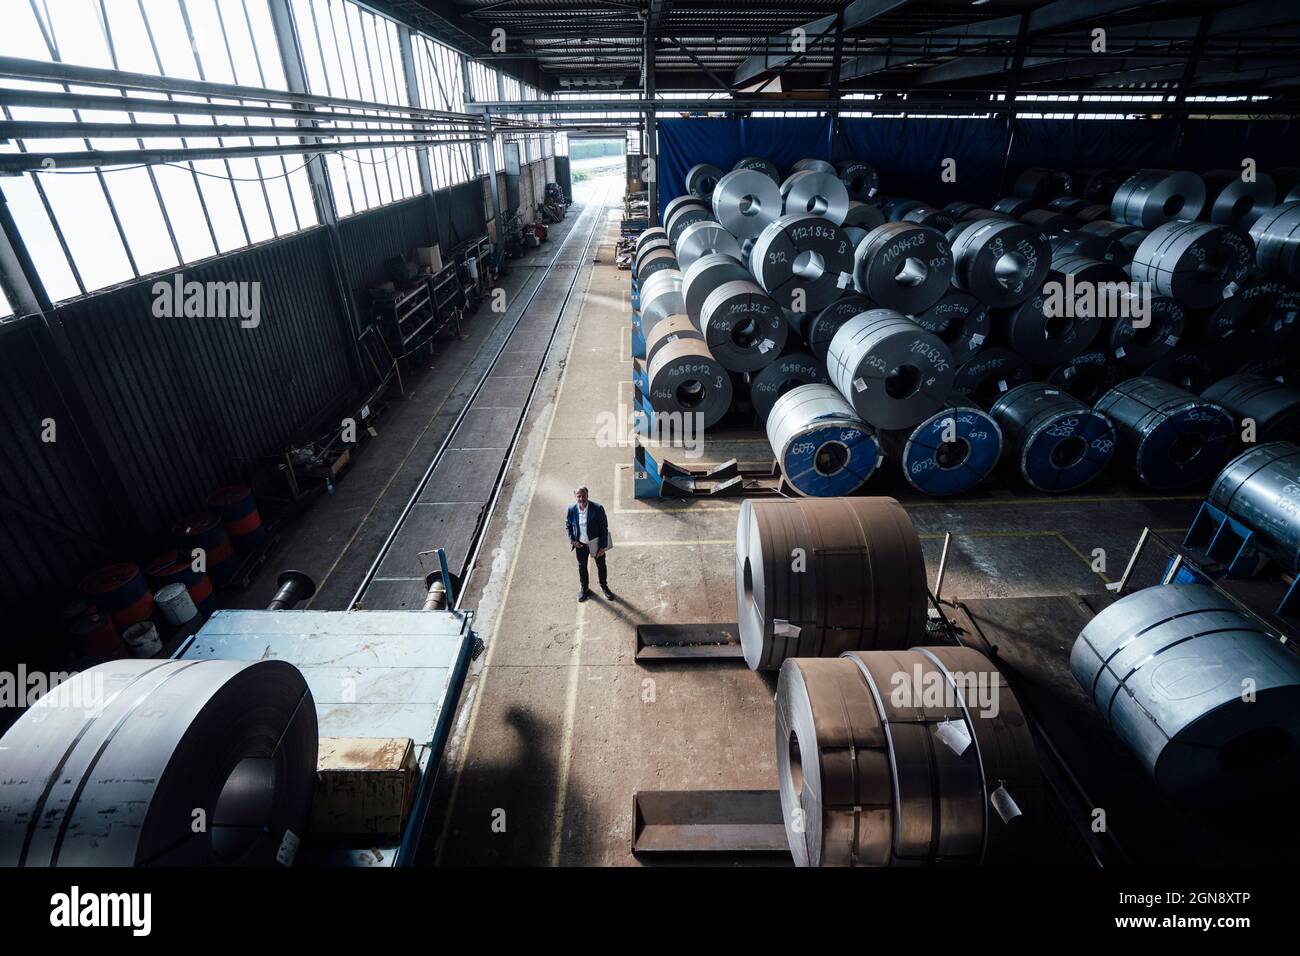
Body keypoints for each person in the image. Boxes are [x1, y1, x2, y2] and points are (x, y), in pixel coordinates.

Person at [565, 485, 614, 602]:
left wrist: (602, 547)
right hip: (580, 545)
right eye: (578, 496)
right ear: (575, 497)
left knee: (601, 566)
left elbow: (604, 528)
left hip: (595, 544)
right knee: (582, 567)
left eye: (583, 496)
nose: (581, 498)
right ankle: (584, 589)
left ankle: (604, 586)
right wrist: (572, 540)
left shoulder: (598, 508)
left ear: (588, 495)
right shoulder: (572, 509)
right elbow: (568, 525)